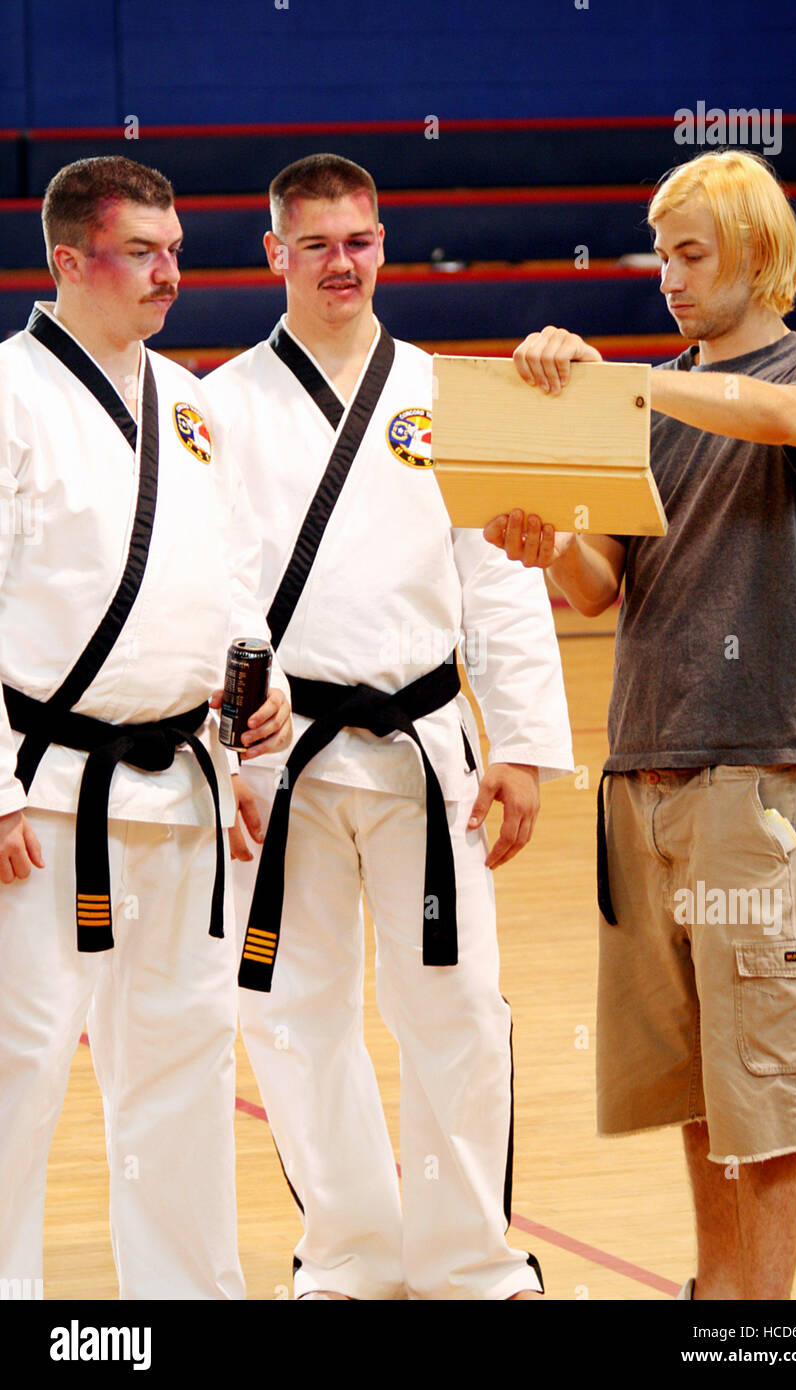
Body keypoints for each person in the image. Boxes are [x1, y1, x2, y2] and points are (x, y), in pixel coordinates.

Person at [485, 149, 796, 1301]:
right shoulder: (650, 400)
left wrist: (625, 384)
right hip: (639, 772)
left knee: (768, 1068)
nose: (666, 274)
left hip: (753, 777)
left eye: (689, 252)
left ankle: (762, 1318)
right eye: (658, 252)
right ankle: (717, 1301)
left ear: (756, 253)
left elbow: (783, 417)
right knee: (699, 1078)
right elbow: (608, 585)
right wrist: (553, 544)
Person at [201, 154, 573, 1301]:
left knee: (455, 1007)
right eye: (312, 244)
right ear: (273, 254)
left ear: (382, 242)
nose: (339, 264)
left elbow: (499, 574)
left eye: (357, 239)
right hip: (284, 763)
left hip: (427, 756)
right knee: (291, 1013)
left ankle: (470, 1258)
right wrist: (221, 765)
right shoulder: (215, 406)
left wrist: (518, 745)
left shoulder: (442, 389)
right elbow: (201, 594)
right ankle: (351, 1253)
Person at [0, 156, 291, 1300]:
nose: (170, 269)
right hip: (47, 793)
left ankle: (184, 1299)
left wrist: (258, 697)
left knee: (179, 1060)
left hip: (180, 785)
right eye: (142, 250)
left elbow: (227, 579)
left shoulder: (188, 400)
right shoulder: (9, 393)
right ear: (69, 261)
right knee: (20, 1066)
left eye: (175, 246)